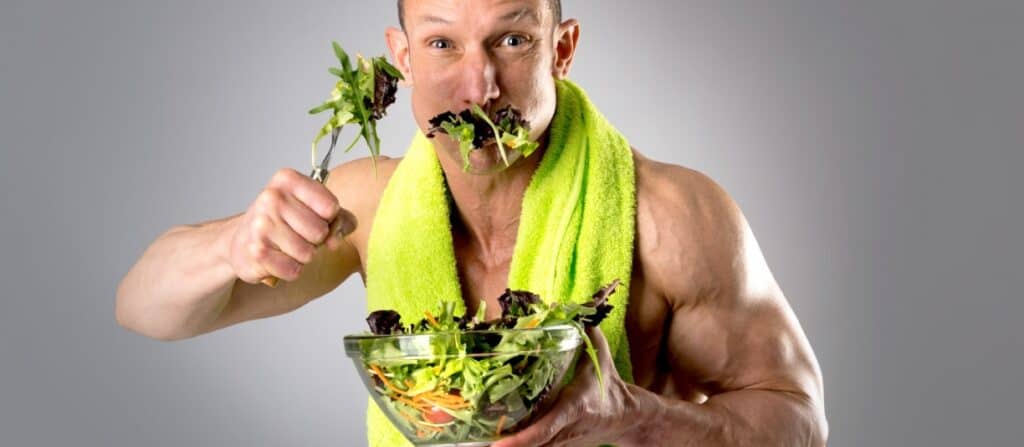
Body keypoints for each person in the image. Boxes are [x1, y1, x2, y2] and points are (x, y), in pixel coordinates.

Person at [116, 0, 828, 445]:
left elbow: (799, 420)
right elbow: (143, 307)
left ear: (562, 46)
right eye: (442, 44)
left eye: (512, 40)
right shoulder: (366, 206)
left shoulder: (670, 215)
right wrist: (233, 245)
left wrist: (638, 418)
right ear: (401, 58)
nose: (478, 85)